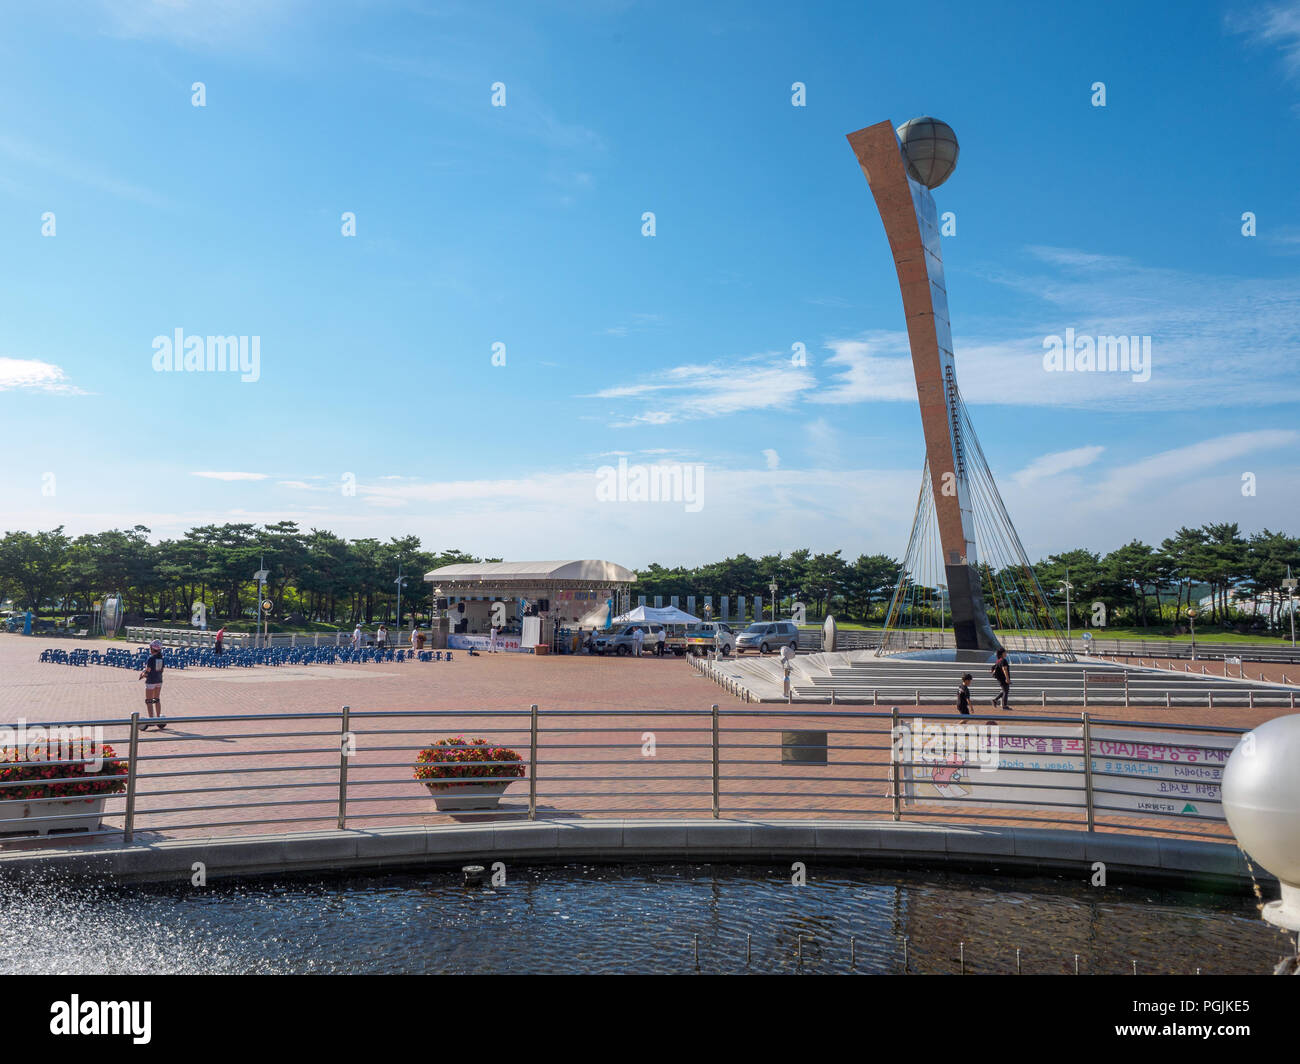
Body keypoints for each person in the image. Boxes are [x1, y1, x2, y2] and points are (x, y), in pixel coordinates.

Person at [138, 640, 166, 730]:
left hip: (151, 681)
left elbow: (148, 670)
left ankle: (151, 719)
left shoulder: (151, 658)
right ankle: (158, 718)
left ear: (152, 649)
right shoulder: (161, 658)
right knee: (157, 699)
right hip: (159, 680)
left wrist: (142, 675)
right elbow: (161, 670)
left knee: (149, 701)